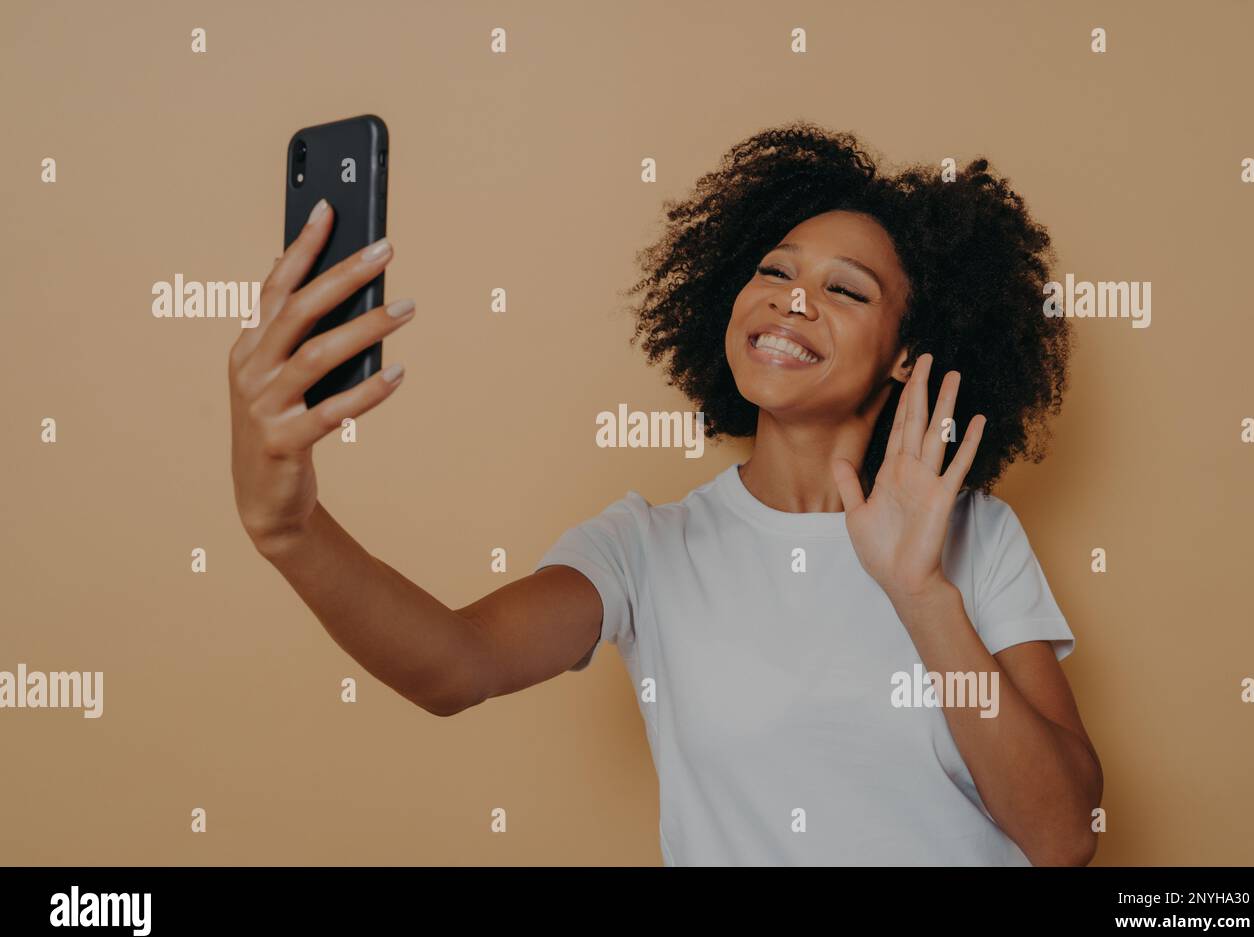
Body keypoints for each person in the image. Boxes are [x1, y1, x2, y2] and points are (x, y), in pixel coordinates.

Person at [229, 121, 1102, 867]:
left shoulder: (974, 538)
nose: (793, 300)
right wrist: (290, 530)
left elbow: (1064, 835)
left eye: (844, 289)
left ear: (908, 353)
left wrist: (921, 595)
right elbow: (456, 666)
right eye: (773, 271)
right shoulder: (646, 548)